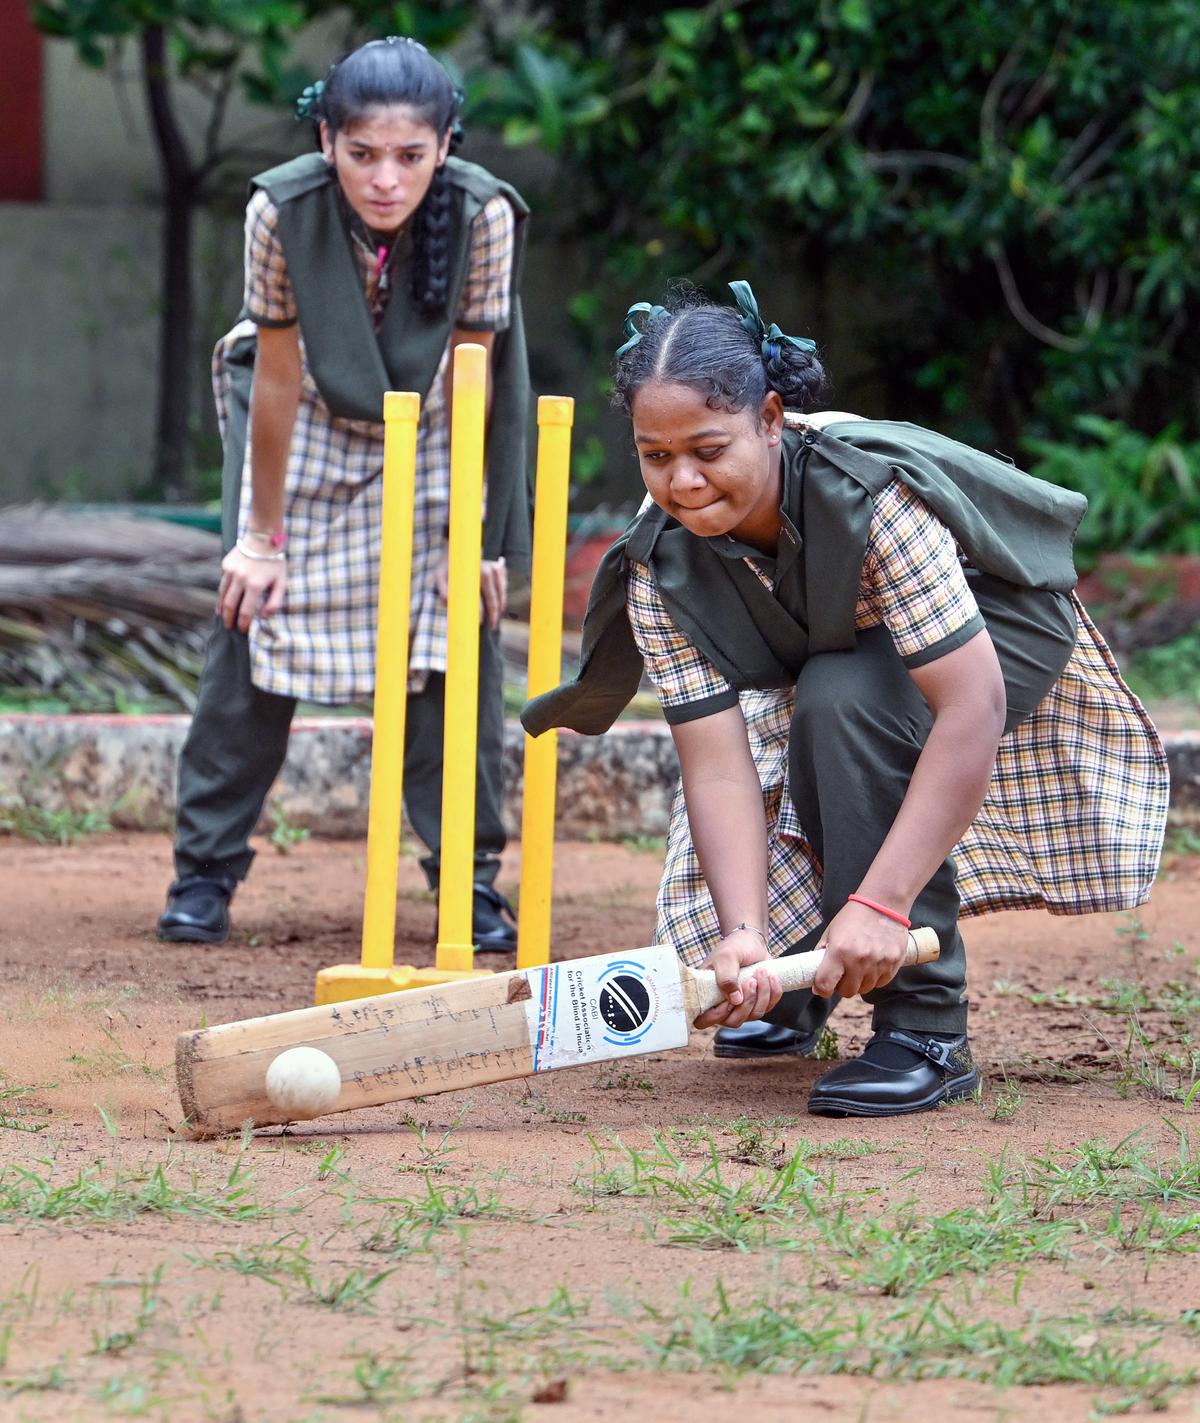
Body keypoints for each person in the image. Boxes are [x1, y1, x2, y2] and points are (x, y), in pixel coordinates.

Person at [522, 282, 1169, 1117]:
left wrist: (882, 904)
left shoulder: (867, 495)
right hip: (832, 645)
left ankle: (925, 1029)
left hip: (996, 630)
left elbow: (972, 707)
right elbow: (719, 768)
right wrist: (745, 936)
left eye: (709, 449)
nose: (681, 481)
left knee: (843, 702)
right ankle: (792, 983)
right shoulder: (659, 561)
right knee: (825, 706)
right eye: (655, 455)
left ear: (770, 418)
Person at [158, 36, 531, 950]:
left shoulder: (485, 214)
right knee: (252, 618)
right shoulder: (279, 209)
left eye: (410, 157)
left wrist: (473, 538)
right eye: (362, 154)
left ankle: (466, 880)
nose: (386, 180)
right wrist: (263, 537)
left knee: (452, 638)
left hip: (443, 418)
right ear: (327, 139)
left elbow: (482, 379)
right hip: (309, 419)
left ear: (445, 146)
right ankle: (204, 869)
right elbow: (277, 375)